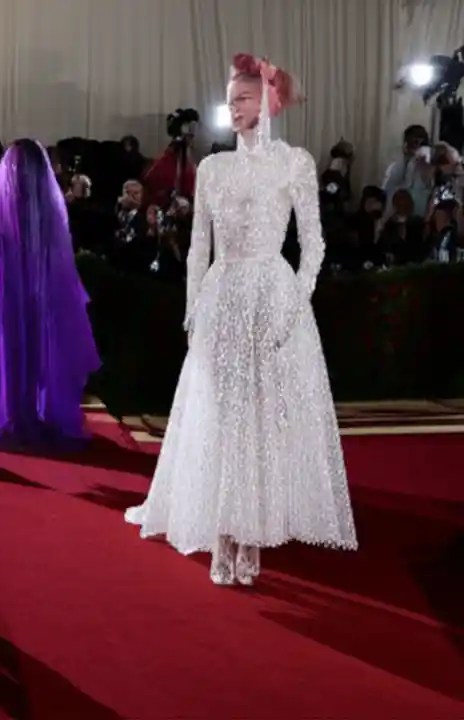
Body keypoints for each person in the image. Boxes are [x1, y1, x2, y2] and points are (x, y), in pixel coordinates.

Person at [125, 54, 357, 586]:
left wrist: (295, 303)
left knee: (262, 422)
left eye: (244, 98)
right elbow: (198, 248)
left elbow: (315, 246)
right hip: (222, 298)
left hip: (273, 298)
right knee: (221, 418)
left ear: (269, 102)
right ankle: (222, 534)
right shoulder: (212, 168)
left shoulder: (294, 163)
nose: (233, 108)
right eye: (230, 100)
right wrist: (190, 312)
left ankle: (250, 536)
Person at [0, 139, 101, 450]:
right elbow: (61, 249)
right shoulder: (49, 203)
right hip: (42, 286)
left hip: (4, 286)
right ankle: (42, 415)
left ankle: (9, 415)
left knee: (7, 353)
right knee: (40, 352)